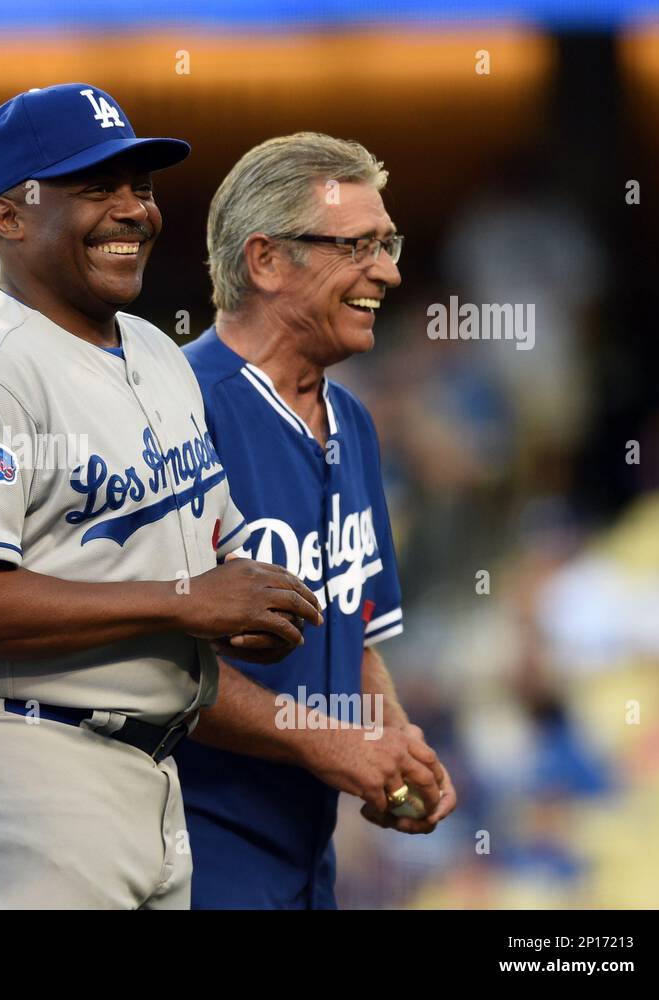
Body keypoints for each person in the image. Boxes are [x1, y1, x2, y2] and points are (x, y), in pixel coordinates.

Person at [0, 84, 321, 909]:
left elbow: (199, 546)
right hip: (22, 776)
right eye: (94, 189)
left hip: (148, 774)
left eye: (140, 187)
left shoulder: (154, 350)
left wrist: (239, 595)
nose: (132, 211)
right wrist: (189, 601)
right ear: (10, 218)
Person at [176, 132, 457, 909]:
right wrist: (333, 742)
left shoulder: (354, 420)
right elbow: (151, 658)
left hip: (307, 851)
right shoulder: (176, 410)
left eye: (388, 242)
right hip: (193, 846)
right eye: (357, 245)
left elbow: (351, 624)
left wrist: (393, 742)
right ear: (265, 260)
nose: (389, 271)